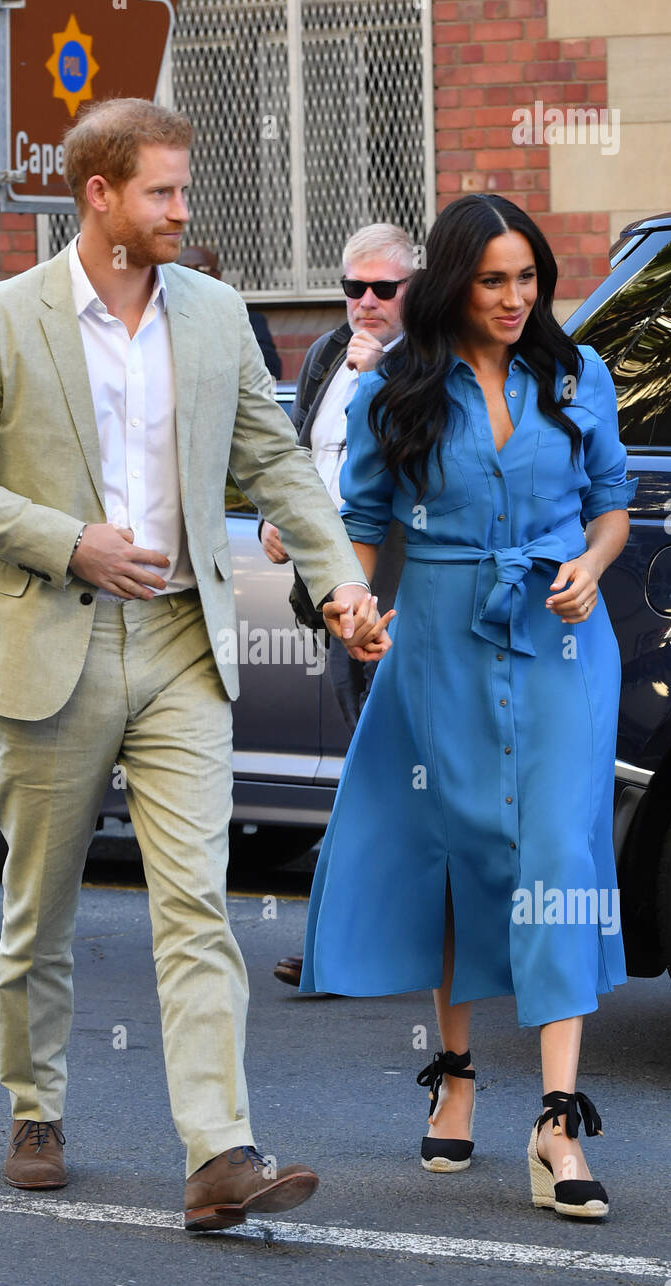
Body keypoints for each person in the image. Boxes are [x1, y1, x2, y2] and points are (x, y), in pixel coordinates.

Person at [0, 98, 392, 1233]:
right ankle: (36, 1107)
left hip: (183, 642)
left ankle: (219, 1150)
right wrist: (66, 539)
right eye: (162, 191)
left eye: (184, 187)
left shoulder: (216, 314)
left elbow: (277, 463)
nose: (183, 209)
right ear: (100, 195)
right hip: (54, 638)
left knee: (196, 906)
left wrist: (339, 582)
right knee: (40, 905)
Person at [301, 193, 637, 1221]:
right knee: (457, 851)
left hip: (563, 642)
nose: (514, 297)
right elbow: (361, 524)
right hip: (439, 639)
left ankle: (558, 1119)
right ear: (453, 282)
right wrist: (352, 606)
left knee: (561, 856)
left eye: (527, 277)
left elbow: (611, 506)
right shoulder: (392, 390)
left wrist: (590, 565)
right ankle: (454, 1072)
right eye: (493, 279)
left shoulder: (577, 374)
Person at [265, 223, 413, 989]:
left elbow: (419, 463)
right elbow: (295, 453)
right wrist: (276, 514)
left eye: (383, 288)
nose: (366, 302)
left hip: (400, 597)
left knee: (390, 772)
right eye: (354, 287)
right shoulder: (328, 352)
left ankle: (352, 946)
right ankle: (359, 944)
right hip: (337, 596)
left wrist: (381, 374)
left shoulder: (429, 362)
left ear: (414, 289)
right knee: (369, 769)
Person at [177, 244, 282, 378]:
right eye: (183, 270)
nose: (191, 276)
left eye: (201, 270)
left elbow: (270, 371)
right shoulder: (161, 318)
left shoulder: (249, 321)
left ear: (217, 275)